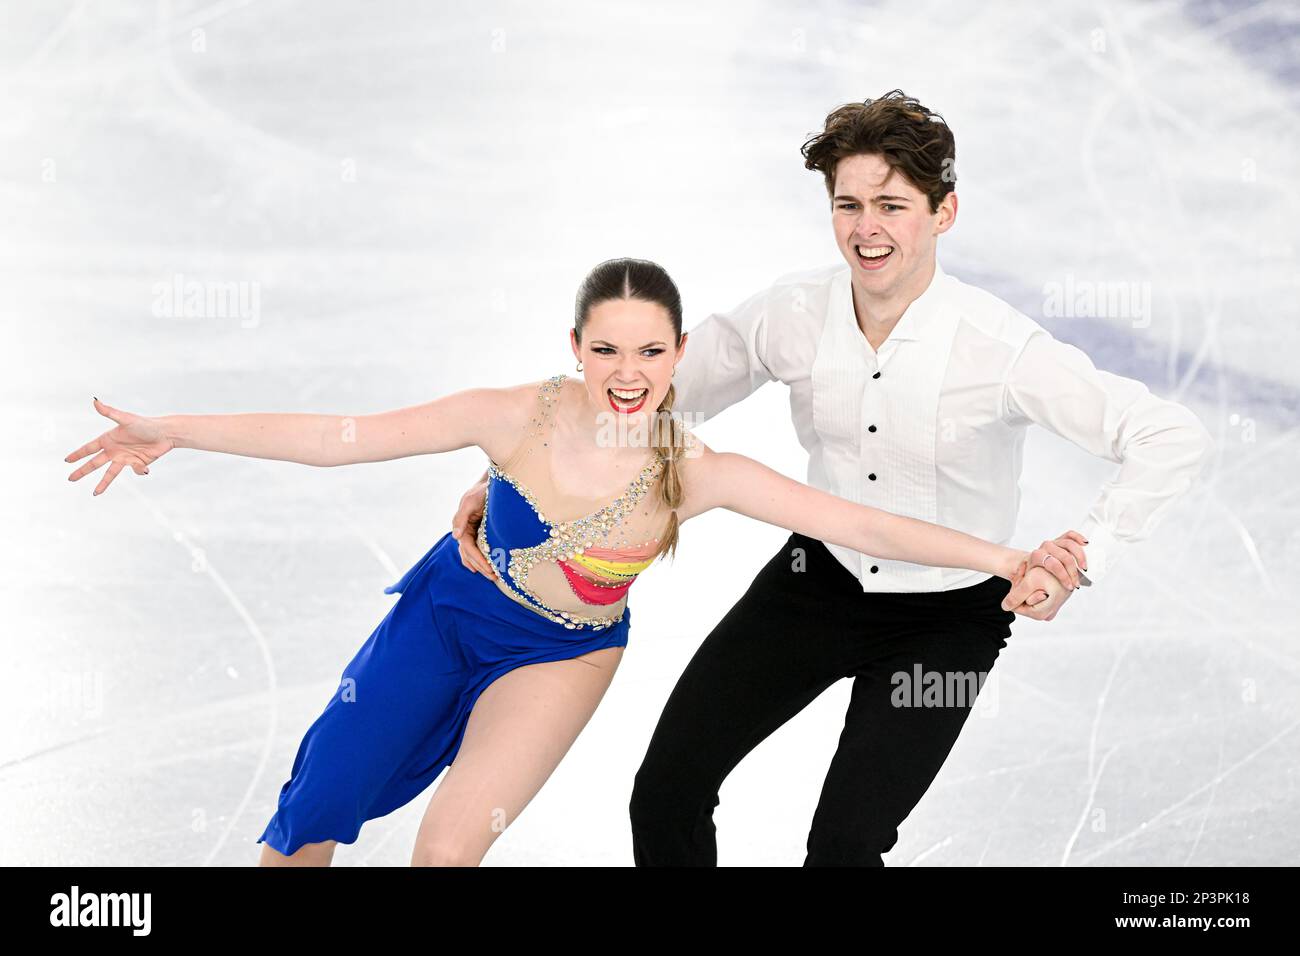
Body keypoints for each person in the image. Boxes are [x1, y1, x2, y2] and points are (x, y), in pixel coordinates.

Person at [63, 256, 1080, 867]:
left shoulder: (699, 470)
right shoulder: (516, 414)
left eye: (648, 353)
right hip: (447, 612)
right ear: (576, 348)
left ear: (678, 354)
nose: (626, 375)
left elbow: (862, 524)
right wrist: (179, 429)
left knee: (450, 849)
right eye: (606, 351)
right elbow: (342, 434)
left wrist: (1005, 554)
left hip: (561, 653)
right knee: (309, 816)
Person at [450, 93, 1215, 866]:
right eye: (848, 204)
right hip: (815, 583)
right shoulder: (795, 311)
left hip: (946, 621)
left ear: (944, 212)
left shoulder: (998, 349)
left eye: (892, 204)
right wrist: (521, 476)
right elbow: (644, 395)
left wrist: (1085, 549)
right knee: (666, 791)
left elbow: (1166, 432)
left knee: (845, 847)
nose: (865, 228)